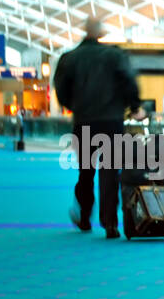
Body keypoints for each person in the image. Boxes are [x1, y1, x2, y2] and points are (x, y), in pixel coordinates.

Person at [53, 17, 145, 238]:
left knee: (86, 171)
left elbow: (61, 88)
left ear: (85, 32)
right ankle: (110, 223)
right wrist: (134, 106)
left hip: (83, 121)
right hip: (111, 121)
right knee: (110, 171)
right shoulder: (114, 55)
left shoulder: (70, 58)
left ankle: (84, 217)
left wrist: (73, 106)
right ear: (101, 33)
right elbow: (129, 80)